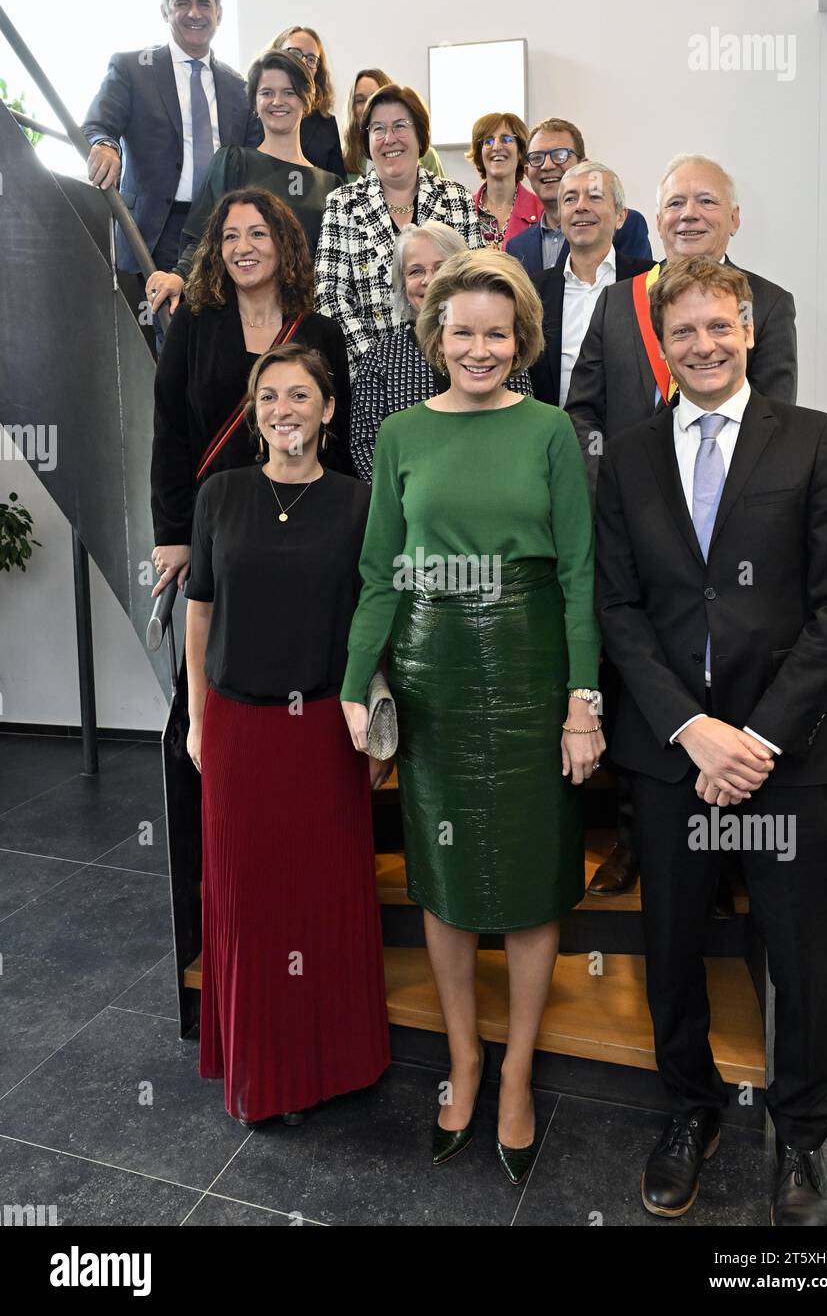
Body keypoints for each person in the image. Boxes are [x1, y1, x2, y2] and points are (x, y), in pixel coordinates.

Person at [595, 256, 827, 1225]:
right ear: (661, 347)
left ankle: (801, 1135)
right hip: (671, 751)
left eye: (721, 326)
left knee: (801, 956)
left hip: (785, 754)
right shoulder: (626, 456)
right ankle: (690, 1111)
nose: (704, 345)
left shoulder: (816, 441)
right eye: (684, 332)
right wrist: (694, 729)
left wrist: (753, 737)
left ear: (749, 329)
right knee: (671, 950)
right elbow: (619, 609)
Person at [340, 248, 604, 1185]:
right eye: (464, 331)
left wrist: (584, 701)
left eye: (498, 332)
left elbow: (579, 574)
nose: (480, 347)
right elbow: (379, 573)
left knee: (533, 879)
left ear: (521, 338)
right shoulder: (404, 434)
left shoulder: (549, 432)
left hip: (535, 669)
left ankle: (520, 1072)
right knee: (443, 880)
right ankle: (463, 1058)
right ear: (437, 335)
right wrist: (352, 683)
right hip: (431, 673)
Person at [567, 153, 799, 900]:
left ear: (735, 219)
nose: (689, 214)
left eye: (707, 202)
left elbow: (781, 422)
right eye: (675, 204)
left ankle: (731, 844)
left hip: (734, 543)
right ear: (654, 219)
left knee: (730, 675)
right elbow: (584, 412)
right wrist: (620, 494)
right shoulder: (618, 302)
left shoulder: (771, 301)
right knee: (644, 685)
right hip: (639, 541)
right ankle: (640, 837)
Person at [184, 343, 391, 1124]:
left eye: (300, 395)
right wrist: (200, 720)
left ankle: (329, 1066)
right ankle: (261, 1072)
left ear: (328, 411)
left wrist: (375, 730)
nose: (283, 410)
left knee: (323, 903)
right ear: (253, 412)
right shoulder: (219, 496)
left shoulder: (359, 502)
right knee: (250, 908)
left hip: (325, 735)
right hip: (239, 728)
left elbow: (374, 623)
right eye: (268, 396)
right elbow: (200, 613)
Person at [150, 188, 351, 599]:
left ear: (283, 242)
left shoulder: (322, 333)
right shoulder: (193, 323)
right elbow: (169, 430)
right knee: (219, 649)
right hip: (218, 524)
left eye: (258, 234)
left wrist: (345, 523)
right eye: (230, 236)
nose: (243, 247)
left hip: (304, 515)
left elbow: (337, 437)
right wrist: (173, 532)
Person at [83, 0, 261, 285]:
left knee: (211, 331)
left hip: (221, 227)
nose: (194, 12)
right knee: (158, 332)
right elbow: (99, 123)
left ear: (218, 14)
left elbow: (255, 158)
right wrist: (106, 145)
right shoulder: (132, 69)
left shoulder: (240, 87)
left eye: (204, 3)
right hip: (152, 230)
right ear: (165, 10)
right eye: (182, 2)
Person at [147, 49, 341, 314]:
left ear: (306, 100)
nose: (277, 101)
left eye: (289, 92)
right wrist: (179, 276)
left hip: (302, 323)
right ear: (254, 103)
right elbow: (201, 238)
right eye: (266, 93)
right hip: (234, 316)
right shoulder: (231, 162)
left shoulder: (331, 186)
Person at [315, 83, 482, 373]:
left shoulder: (457, 198)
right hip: (373, 375)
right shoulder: (342, 204)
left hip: (454, 367)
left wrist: (451, 352)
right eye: (378, 129)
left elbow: (476, 284)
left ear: (421, 134)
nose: (389, 138)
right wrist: (382, 364)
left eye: (400, 126)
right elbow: (330, 296)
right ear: (367, 141)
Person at [351, 221, 533, 480]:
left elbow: (522, 425)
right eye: (415, 271)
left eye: (440, 267)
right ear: (402, 282)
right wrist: (405, 498)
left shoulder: (499, 347)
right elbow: (365, 445)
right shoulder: (380, 359)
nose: (428, 280)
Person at [528, 162, 653, 406]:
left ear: (620, 216)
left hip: (631, 436)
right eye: (570, 199)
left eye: (594, 197)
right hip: (556, 435)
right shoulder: (534, 291)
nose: (580, 207)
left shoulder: (650, 281)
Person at [506, 118, 652, 273]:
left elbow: (639, 289)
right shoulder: (516, 247)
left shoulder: (623, 225)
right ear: (527, 172)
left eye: (560, 155)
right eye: (536, 158)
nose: (547, 165)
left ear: (583, 165)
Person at [270, 25, 346, 179]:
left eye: (311, 59)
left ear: (317, 71)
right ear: (275, 55)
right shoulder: (254, 113)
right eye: (295, 53)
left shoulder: (326, 123)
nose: (303, 62)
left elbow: (338, 185)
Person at [342, 69, 445, 182]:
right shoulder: (346, 159)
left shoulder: (427, 156)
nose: (368, 104)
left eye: (374, 97)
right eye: (360, 100)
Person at [466, 112, 542, 248]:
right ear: (480, 153)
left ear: (520, 151)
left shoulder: (541, 211)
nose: (496, 147)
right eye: (488, 141)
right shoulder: (462, 210)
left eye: (506, 139)